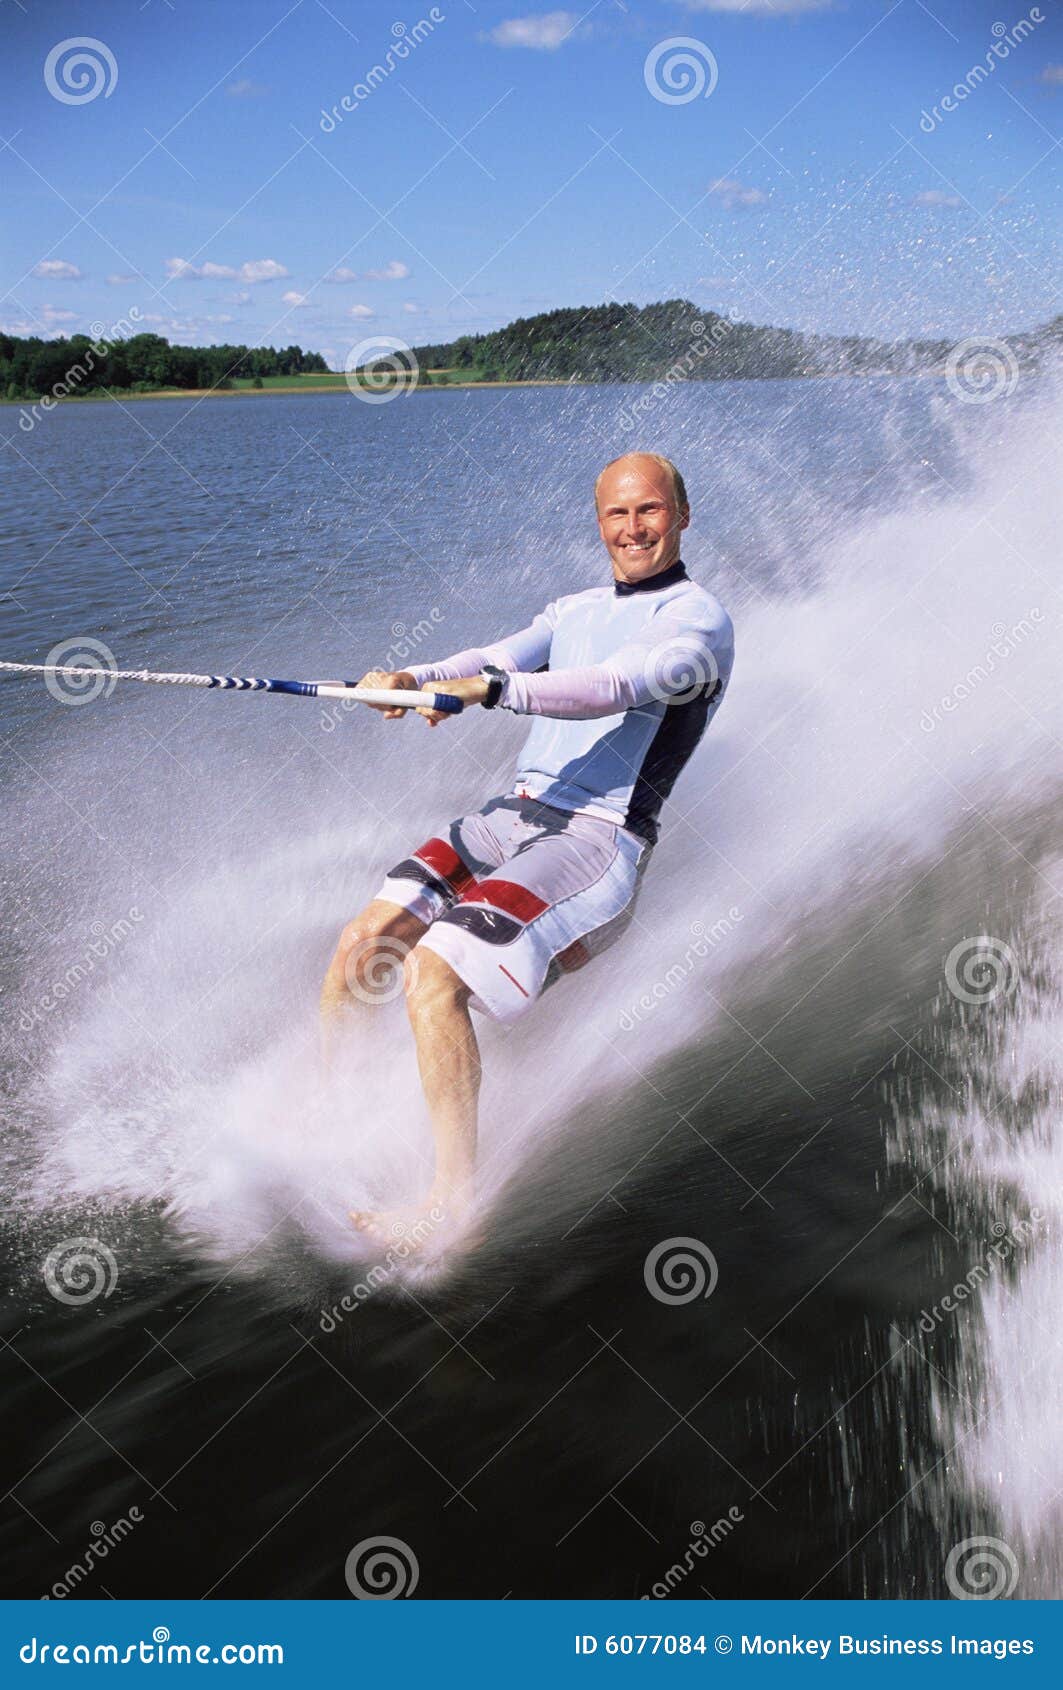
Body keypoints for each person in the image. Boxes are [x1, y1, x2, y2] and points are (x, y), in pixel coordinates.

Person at [320, 452, 734, 1241]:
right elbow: (490, 660)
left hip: (594, 842)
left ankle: (449, 1205)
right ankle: (327, 1117)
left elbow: (610, 688)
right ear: (599, 522)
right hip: (512, 818)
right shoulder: (571, 609)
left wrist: (492, 694)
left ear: (682, 514)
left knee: (430, 973)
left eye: (648, 510)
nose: (632, 528)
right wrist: (412, 679)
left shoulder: (695, 622)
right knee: (361, 944)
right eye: (617, 513)